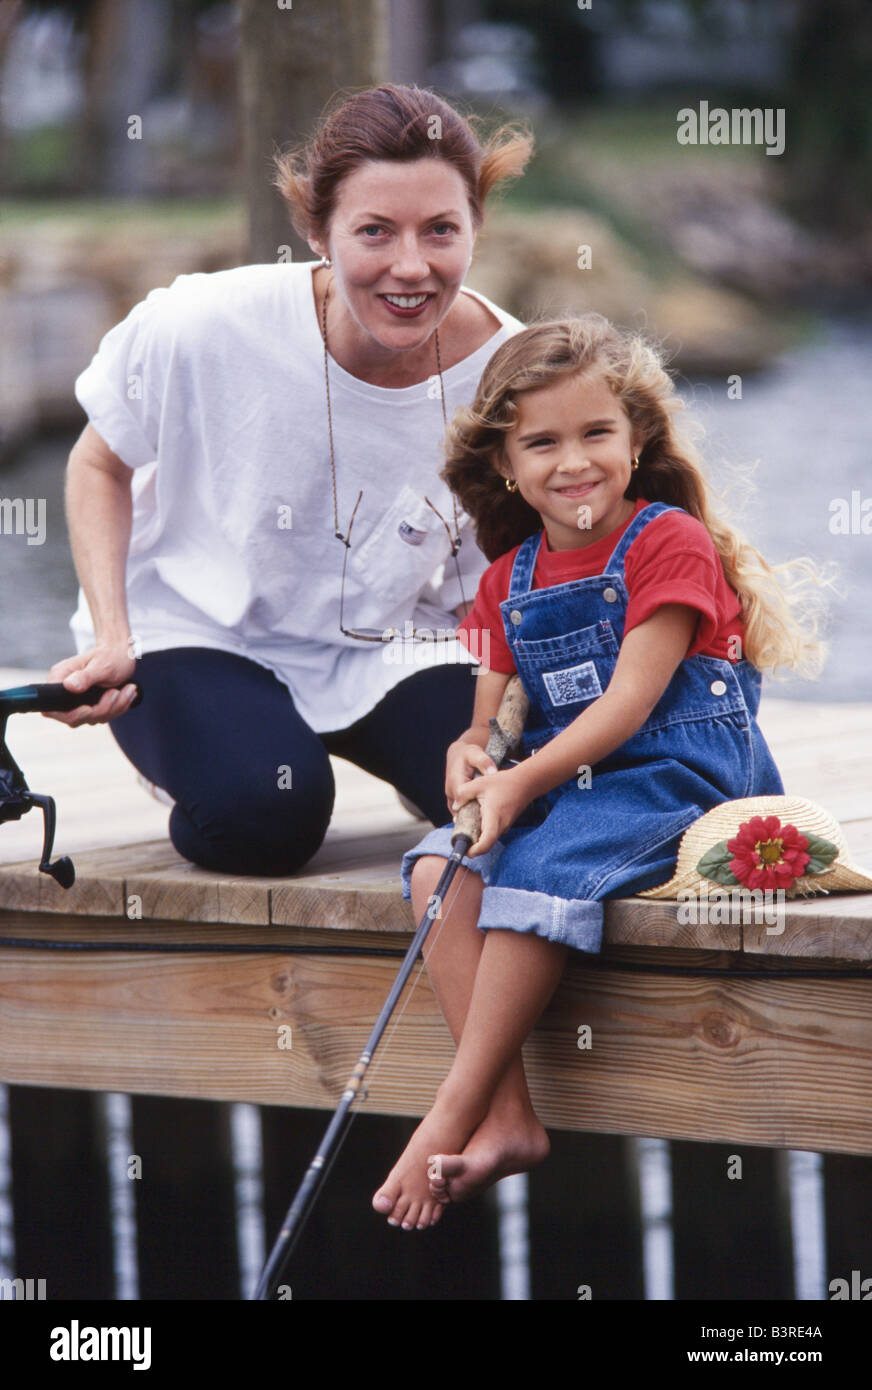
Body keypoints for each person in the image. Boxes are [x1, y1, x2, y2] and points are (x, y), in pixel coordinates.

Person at [371, 313, 833, 1231]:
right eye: (541, 442)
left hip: (676, 776)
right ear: (506, 463)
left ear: (636, 439)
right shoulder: (506, 579)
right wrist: (474, 763)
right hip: (565, 778)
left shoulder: (668, 542)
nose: (572, 461)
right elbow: (489, 724)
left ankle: (450, 1111)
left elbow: (629, 705)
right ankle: (507, 1116)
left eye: (595, 434)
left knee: (546, 867)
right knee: (436, 869)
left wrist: (522, 781)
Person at [42, 84, 533, 875]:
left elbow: (510, 565)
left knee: (523, 792)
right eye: (374, 231)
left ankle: (401, 763)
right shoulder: (201, 325)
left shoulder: (512, 371)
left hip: (384, 645)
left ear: (475, 227)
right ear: (316, 230)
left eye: (441, 230)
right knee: (266, 816)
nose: (412, 267)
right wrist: (111, 638)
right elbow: (100, 460)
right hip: (198, 632)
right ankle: (231, 748)